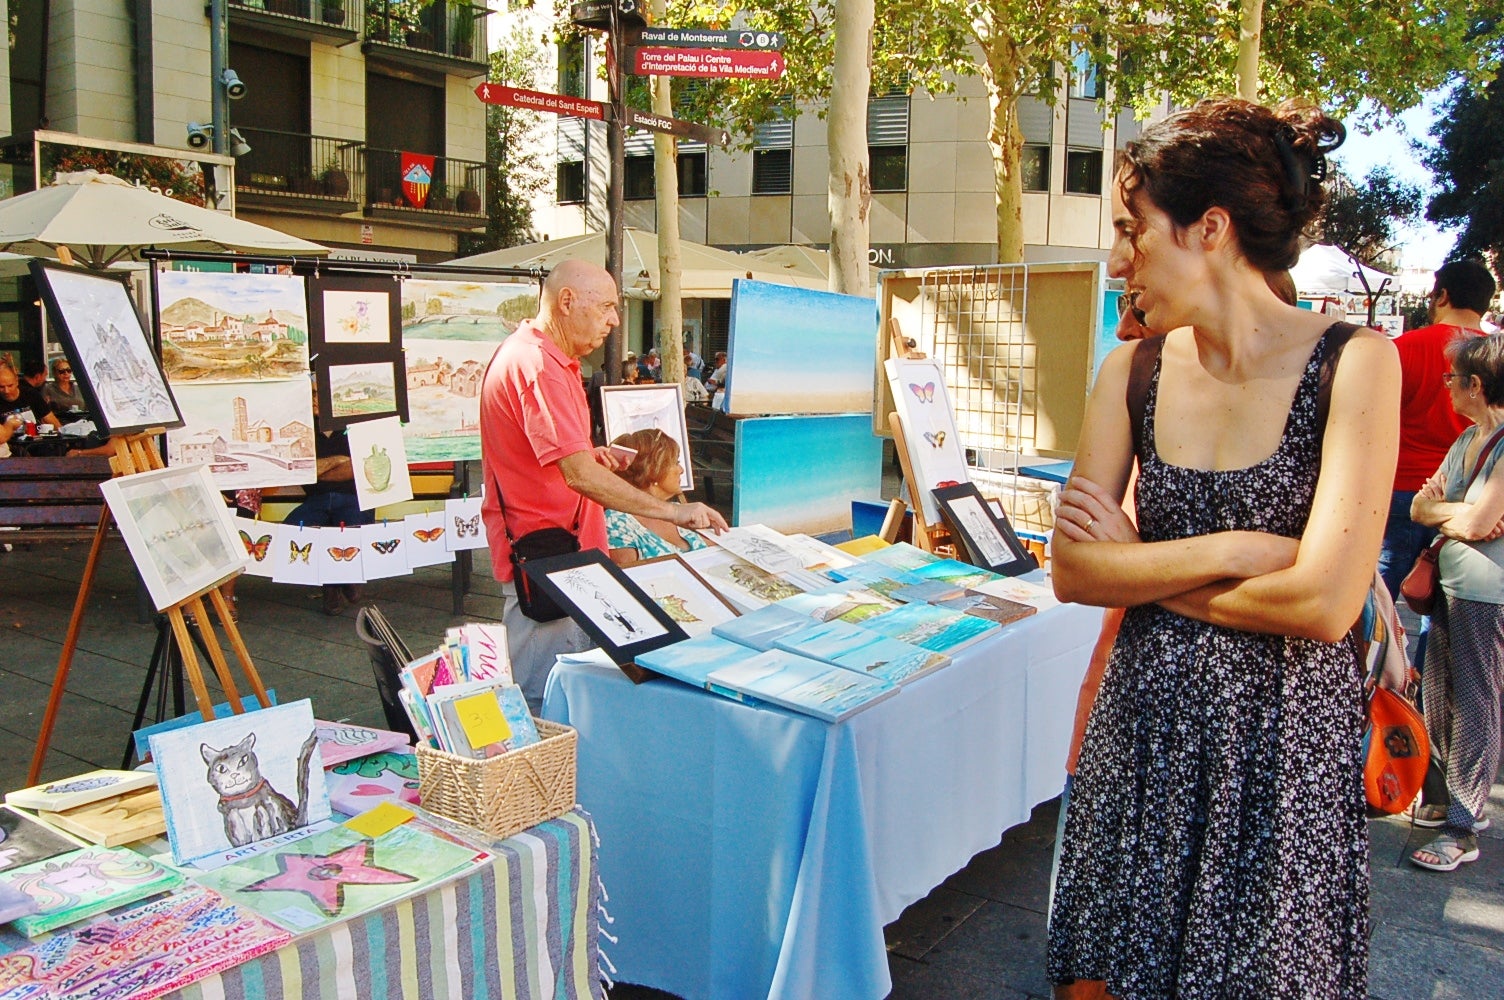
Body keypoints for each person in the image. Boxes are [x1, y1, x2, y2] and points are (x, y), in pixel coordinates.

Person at [1047, 99, 1394, 999]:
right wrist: (1243, 547)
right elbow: (1074, 570)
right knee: (1111, 976)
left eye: (1132, 229)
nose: (1118, 259)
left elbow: (1324, 604)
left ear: (1210, 227)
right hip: (1143, 736)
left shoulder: (1355, 362)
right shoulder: (1132, 369)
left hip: (1281, 755)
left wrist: (1142, 567)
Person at [480, 259, 727, 706]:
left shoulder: (543, 357)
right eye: (607, 307)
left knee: (567, 696)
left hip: (562, 555)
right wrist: (673, 511)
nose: (614, 321)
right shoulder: (538, 364)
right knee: (546, 702)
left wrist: (590, 455)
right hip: (547, 557)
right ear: (567, 301)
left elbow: (551, 458)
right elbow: (576, 474)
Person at [1406, 333, 1504, 871]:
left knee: (1474, 703)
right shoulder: (1467, 439)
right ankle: (1451, 801)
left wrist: (1455, 514)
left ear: (1477, 385)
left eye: (1453, 379)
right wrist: (1459, 516)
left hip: (1487, 594)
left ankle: (1463, 826)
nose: (1447, 386)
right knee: (1439, 693)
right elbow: (1422, 508)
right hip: (1450, 583)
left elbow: (1478, 521)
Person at [1380, 259, 1497, 600]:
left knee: (1381, 594)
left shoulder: (1403, 348)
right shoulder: (1495, 359)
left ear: (1442, 296)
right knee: (1445, 595)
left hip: (1404, 484)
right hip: (1471, 495)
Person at [286, 384, 372, 616]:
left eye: (319, 392)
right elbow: (301, 469)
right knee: (292, 531)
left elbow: (357, 469)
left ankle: (332, 586)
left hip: (353, 498)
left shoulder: (353, 426)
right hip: (317, 500)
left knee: (350, 525)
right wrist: (338, 460)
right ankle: (343, 580)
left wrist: (318, 469)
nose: (314, 398)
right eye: (311, 393)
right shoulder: (302, 430)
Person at [604, 428, 709, 562]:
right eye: (675, 463)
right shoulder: (617, 522)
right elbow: (626, 572)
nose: (681, 470)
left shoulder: (678, 510)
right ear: (653, 470)